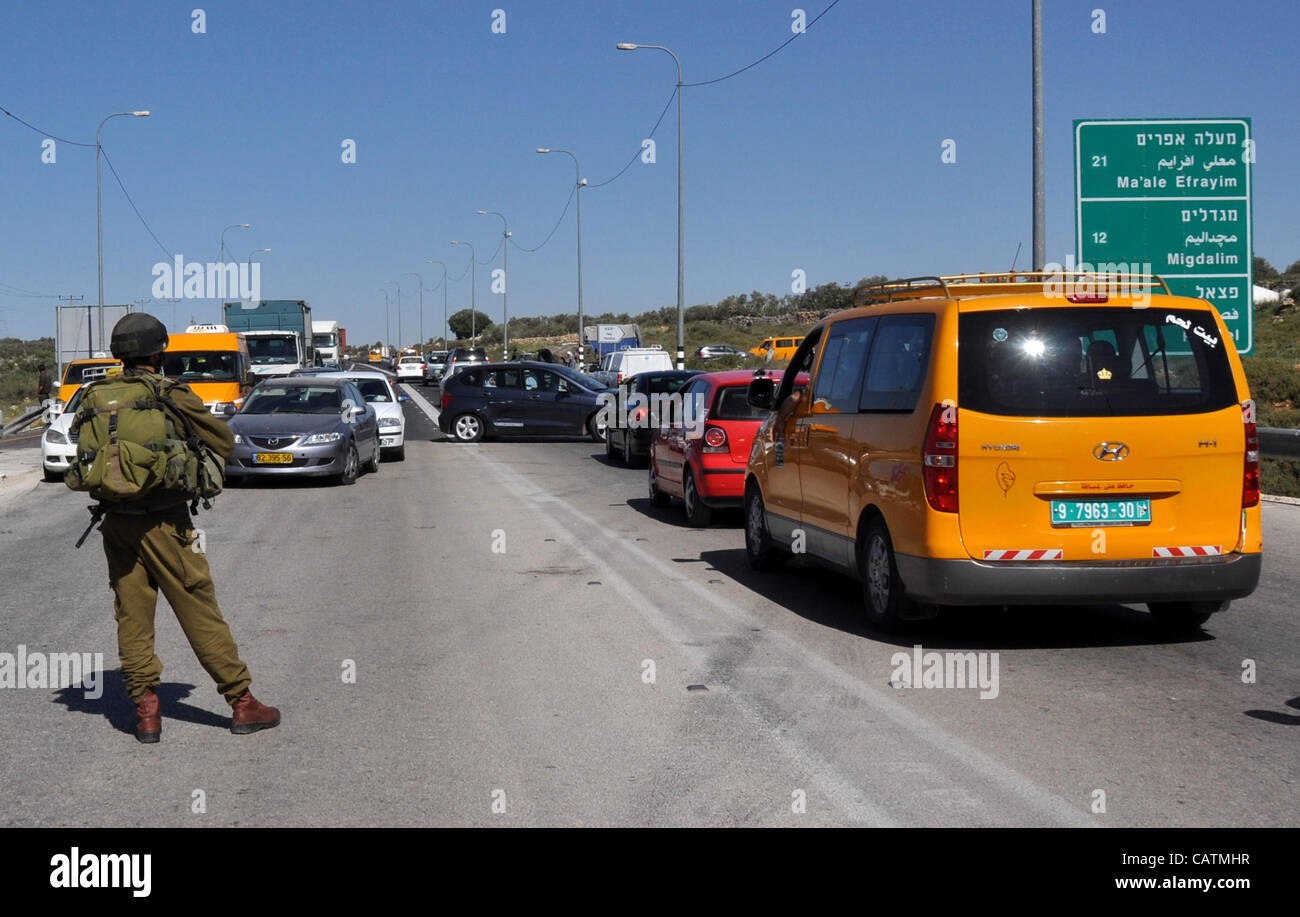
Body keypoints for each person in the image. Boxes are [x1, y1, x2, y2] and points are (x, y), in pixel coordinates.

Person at [85, 313, 280, 743]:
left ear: (120, 354)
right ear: (159, 351)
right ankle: (243, 703)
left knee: (131, 618)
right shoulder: (170, 393)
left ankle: (147, 713)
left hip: (115, 523)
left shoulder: (94, 395)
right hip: (167, 523)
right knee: (198, 608)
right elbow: (223, 441)